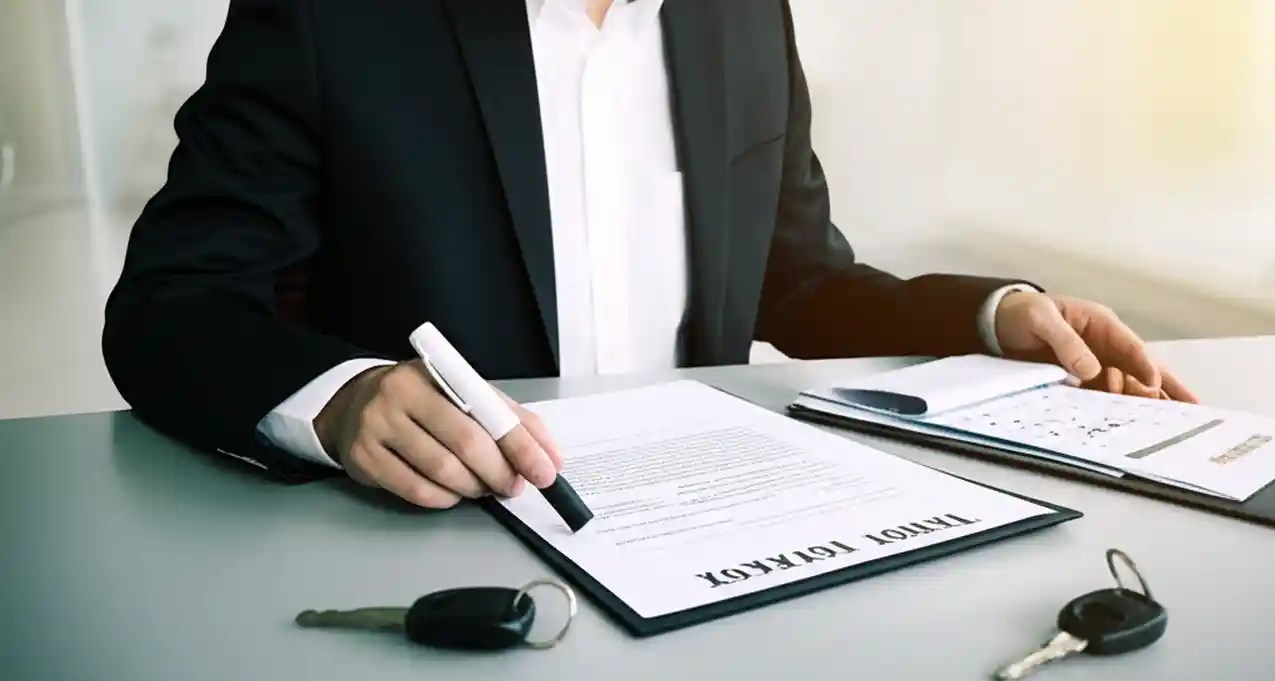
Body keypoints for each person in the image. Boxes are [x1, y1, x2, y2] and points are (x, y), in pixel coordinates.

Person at [102, 0, 1196, 511]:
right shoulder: (330, 19)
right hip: (445, 537)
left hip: (710, 516)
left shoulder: (742, 17)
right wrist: (340, 399)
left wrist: (989, 316)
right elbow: (168, 305)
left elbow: (798, 282)